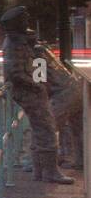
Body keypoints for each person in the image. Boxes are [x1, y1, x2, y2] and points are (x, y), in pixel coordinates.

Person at [1, 6, 73, 184]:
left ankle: (40, 171)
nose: (27, 21)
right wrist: (36, 86)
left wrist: (41, 82)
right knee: (47, 128)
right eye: (24, 18)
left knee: (41, 128)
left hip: (32, 91)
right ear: (16, 22)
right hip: (28, 94)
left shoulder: (23, 41)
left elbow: (35, 66)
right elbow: (14, 72)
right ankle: (50, 171)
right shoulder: (14, 43)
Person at [34, 38, 84, 170]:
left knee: (47, 127)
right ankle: (78, 159)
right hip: (75, 89)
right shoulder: (45, 51)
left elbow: (40, 82)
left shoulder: (36, 55)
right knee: (76, 128)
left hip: (63, 94)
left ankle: (39, 163)